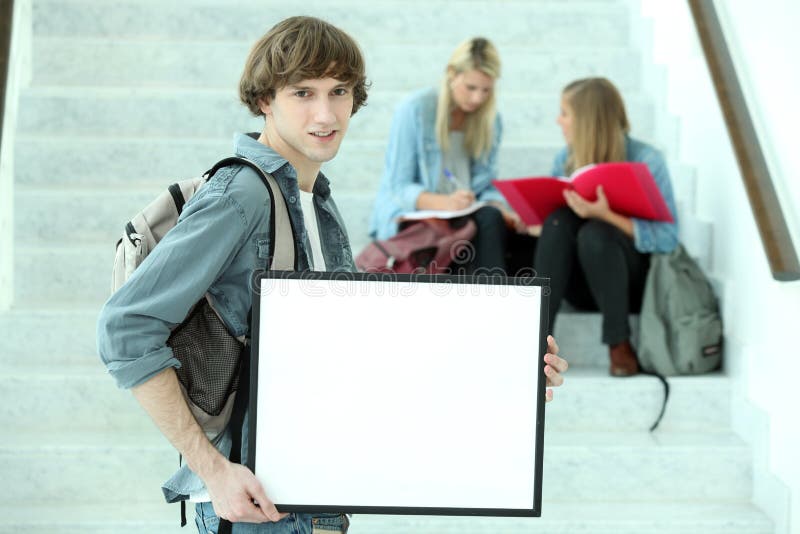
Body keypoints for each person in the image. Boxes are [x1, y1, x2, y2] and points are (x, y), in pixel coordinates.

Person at [97, 18, 569, 533]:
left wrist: (503, 374)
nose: (326, 114)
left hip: (318, 503)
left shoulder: (318, 201)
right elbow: (126, 327)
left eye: (339, 91)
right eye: (303, 92)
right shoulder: (242, 194)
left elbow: (352, 359)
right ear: (264, 100)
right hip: (257, 509)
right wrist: (212, 471)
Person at [533, 77, 678, 377]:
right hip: (579, 282)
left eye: (565, 113)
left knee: (596, 233)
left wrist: (605, 214)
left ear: (586, 121)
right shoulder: (565, 159)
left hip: (627, 283)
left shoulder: (647, 160)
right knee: (558, 221)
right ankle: (538, 339)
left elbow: (667, 238)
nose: (558, 121)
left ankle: (619, 342)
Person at [368, 37, 535, 275]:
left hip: (466, 218)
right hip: (416, 217)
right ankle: (494, 300)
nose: (478, 98)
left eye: (486, 90)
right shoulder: (416, 109)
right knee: (485, 225)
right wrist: (446, 203)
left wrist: (499, 206)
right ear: (451, 74)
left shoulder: (490, 121)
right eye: (471, 88)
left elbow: (485, 185)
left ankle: (495, 298)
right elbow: (399, 187)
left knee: (502, 224)